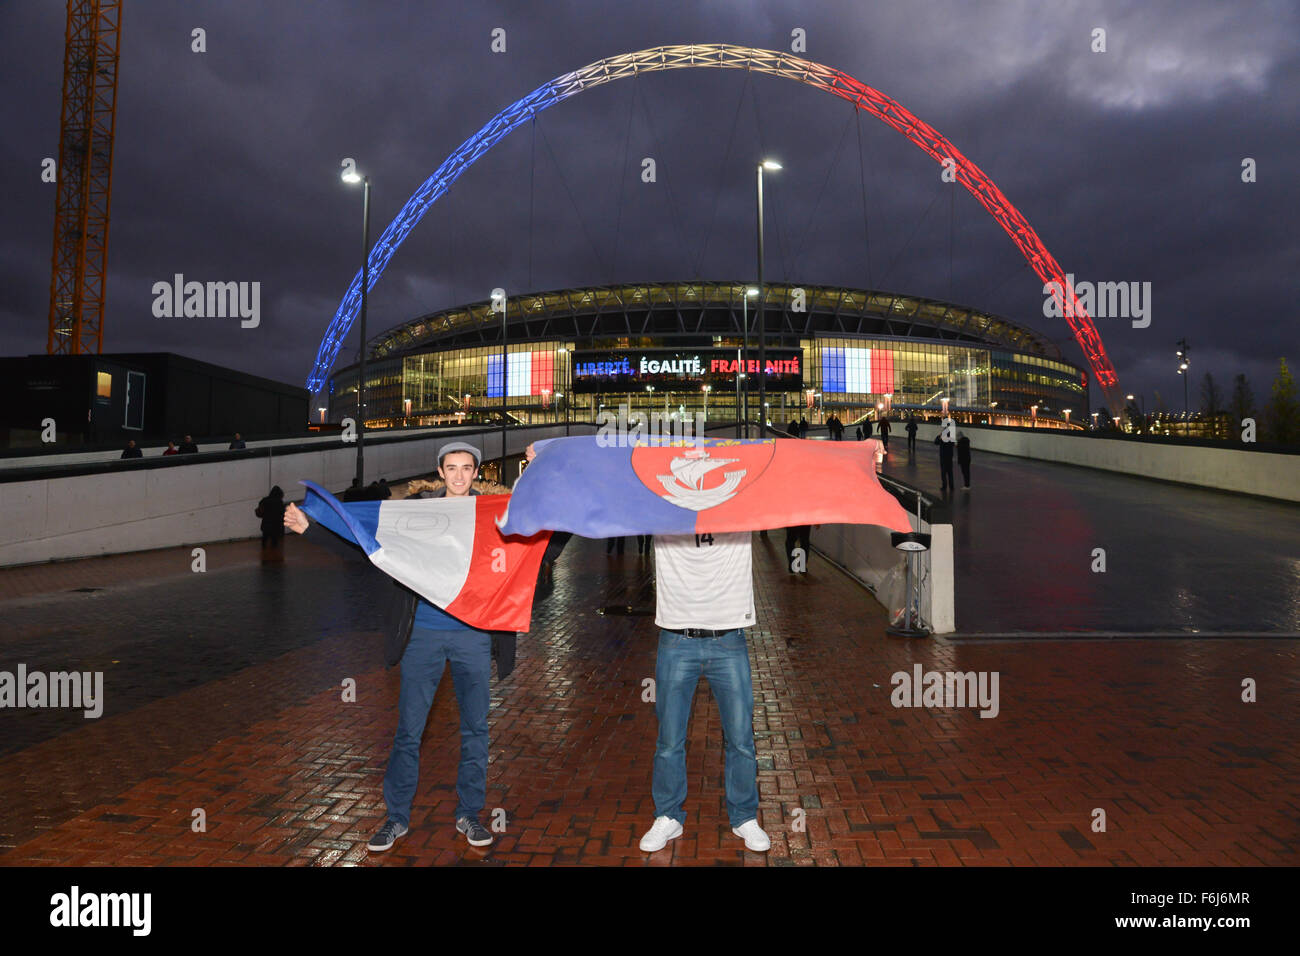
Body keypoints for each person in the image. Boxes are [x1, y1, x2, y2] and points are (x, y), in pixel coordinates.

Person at [284, 441, 513, 852]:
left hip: (474, 635)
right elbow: (368, 546)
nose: (459, 475)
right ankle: (396, 817)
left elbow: (537, 543)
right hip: (421, 634)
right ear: (440, 472)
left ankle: (470, 814)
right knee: (409, 731)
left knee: (476, 729)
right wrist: (312, 530)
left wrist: (540, 471)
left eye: (466, 468)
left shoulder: (492, 515)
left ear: (476, 472)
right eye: (452, 468)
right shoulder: (418, 512)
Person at [638, 527, 770, 855]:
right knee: (669, 740)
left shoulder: (740, 507)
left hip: (728, 640)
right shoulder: (664, 507)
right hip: (676, 639)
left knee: (741, 738)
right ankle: (668, 814)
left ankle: (744, 816)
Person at [255, 485, 286, 562]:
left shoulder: (264, 500)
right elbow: (282, 514)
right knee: (274, 543)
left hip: (266, 524)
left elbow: (260, 512)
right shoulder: (279, 502)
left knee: (264, 541)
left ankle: (264, 560)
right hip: (276, 526)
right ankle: (274, 560)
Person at [934, 420, 956, 493]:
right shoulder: (952, 436)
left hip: (943, 456)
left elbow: (936, 442)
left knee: (943, 472)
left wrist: (939, 435)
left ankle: (944, 486)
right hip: (949, 456)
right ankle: (951, 486)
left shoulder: (943, 436)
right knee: (950, 472)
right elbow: (953, 445)